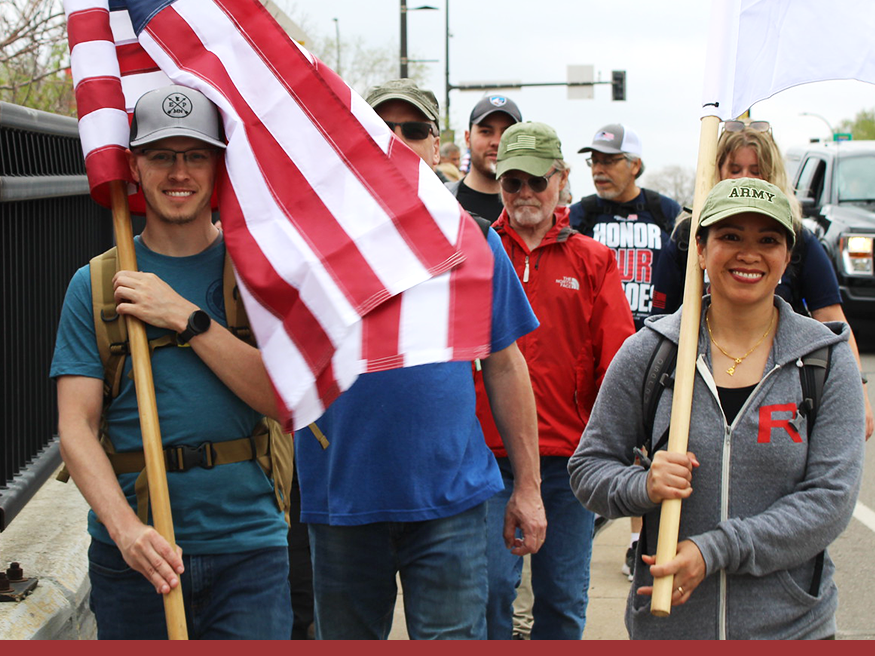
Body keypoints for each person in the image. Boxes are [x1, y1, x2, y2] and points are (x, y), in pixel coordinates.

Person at [293, 79, 546, 640]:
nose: (397, 141)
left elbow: (505, 366)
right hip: (343, 502)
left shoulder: (474, 241)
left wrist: (527, 487)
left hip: (450, 506)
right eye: (382, 129)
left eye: (413, 131)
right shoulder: (308, 243)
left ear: (437, 148)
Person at [568, 177, 865, 639]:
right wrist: (643, 485)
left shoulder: (825, 360)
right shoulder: (651, 352)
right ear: (701, 251)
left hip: (792, 630)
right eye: (730, 237)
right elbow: (588, 469)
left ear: (787, 258)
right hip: (670, 629)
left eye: (768, 240)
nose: (749, 254)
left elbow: (830, 501)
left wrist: (715, 550)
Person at [50, 85, 292, 639]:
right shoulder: (96, 285)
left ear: (218, 166)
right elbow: (76, 426)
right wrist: (126, 529)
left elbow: (283, 400)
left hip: (249, 549)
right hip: (134, 558)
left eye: (195, 156)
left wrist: (186, 317)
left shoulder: (257, 275)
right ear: (134, 166)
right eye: (161, 155)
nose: (178, 172)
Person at [479, 121, 635, 640]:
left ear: (562, 178)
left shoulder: (593, 260)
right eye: (512, 183)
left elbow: (619, 363)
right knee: (492, 593)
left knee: (563, 601)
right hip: (488, 460)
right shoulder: (476, 251)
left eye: (536, 182)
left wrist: (618, 444)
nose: (524, 194)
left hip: (570, 464)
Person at [650, 121, 873, 439]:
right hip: (694, 388)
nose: (745, 180)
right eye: (735, 169)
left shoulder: (798, 237)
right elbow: (657, 323)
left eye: (756, 171)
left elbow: (831, 318)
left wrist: (859, 392)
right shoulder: (687, 236)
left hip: (779, 391)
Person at [570, 123, 682, 330]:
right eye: (594, 162)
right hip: (595, 342)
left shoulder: (666, 212)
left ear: (635, 165)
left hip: (654, 340)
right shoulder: (580, 215)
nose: (598, 170)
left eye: (609, 161)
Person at [446, 95, 523, 223]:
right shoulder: (442, 200)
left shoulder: (532, 207)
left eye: (507, 133)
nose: (497, 142)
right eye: (486, 132)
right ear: (467, 138)